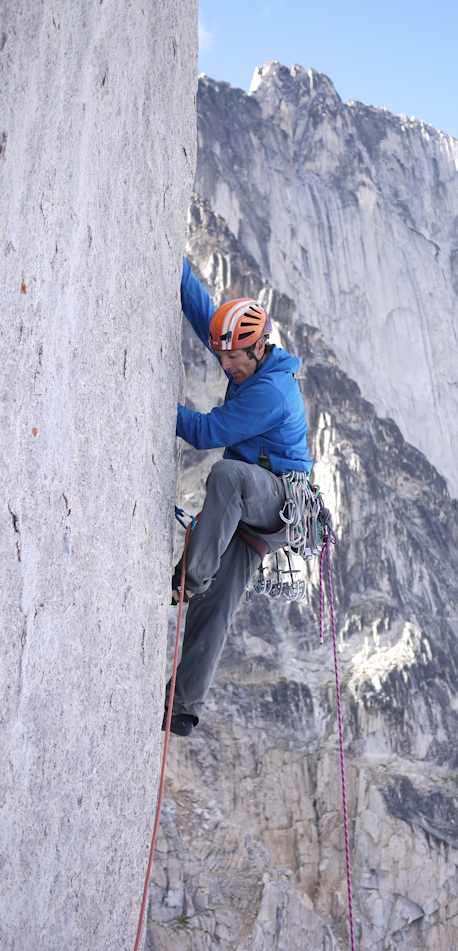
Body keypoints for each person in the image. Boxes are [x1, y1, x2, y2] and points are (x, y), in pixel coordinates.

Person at [163, 258, 312, 737]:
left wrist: (155, 402)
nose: (225, 365)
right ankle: (183, 707)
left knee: (226, 473)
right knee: (216, 604)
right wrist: (176, 260)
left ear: (259, 346)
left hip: (275, 502)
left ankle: (190, 575)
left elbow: (207, 432)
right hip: (250, 511)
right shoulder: (245, 355)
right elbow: (201, 310)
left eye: (232, 359)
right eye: (220, 355)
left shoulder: (271, 392)